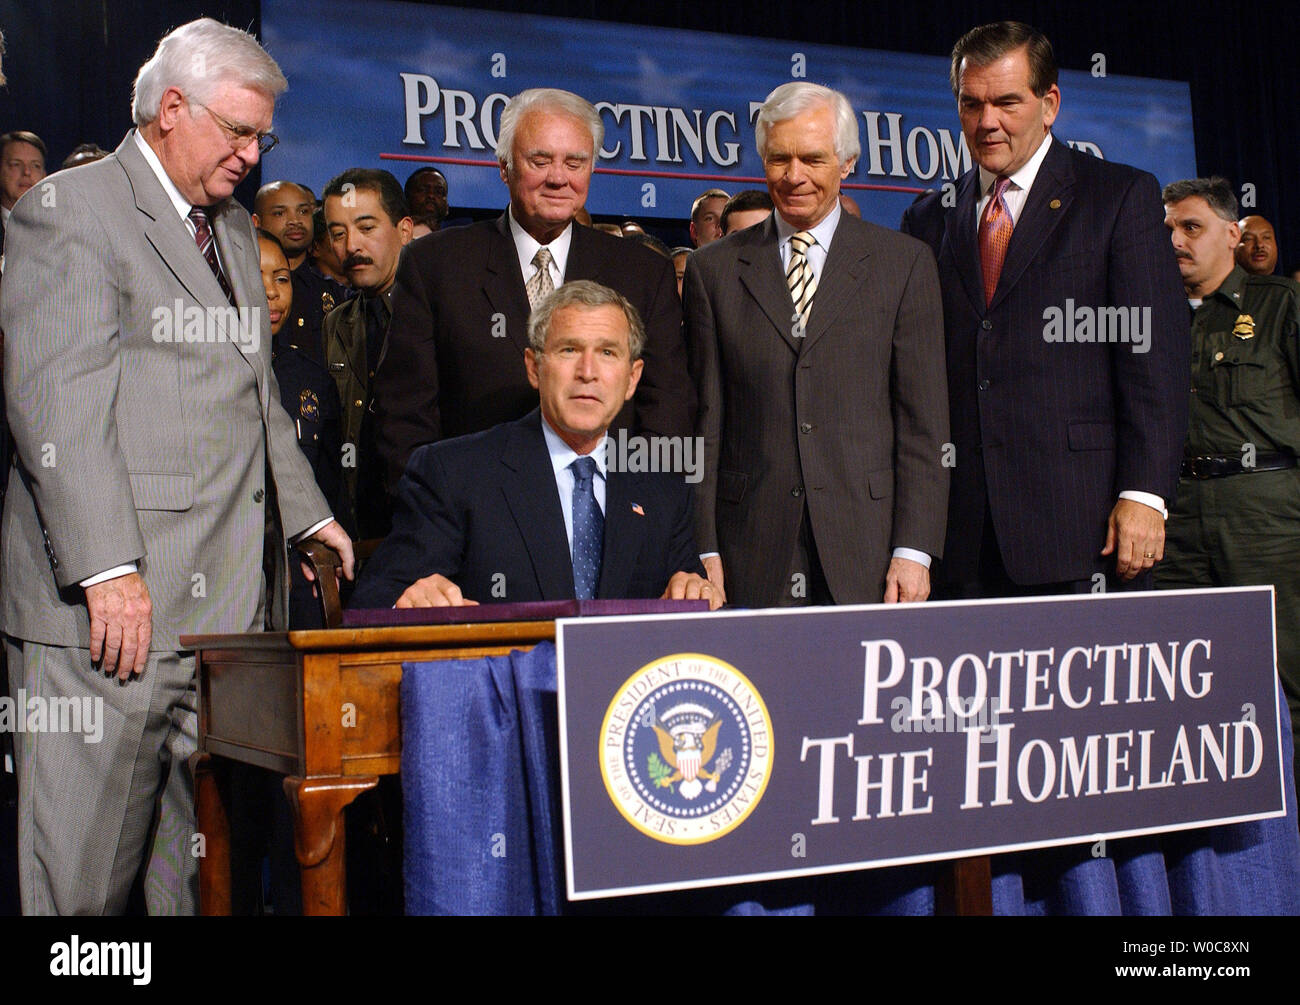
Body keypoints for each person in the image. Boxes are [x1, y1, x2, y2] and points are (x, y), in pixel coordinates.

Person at [0, 17, 353, 916]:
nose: (251, 153)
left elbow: (253, 391)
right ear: (170, 108)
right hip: (110, 620)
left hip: (224, 619)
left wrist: (310, 515)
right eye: (238, 131)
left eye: (261, 137)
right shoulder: (69, 210)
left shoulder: (231, 230)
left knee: (192, 883)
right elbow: (57, 407)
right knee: (78, 889)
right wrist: (107, 569)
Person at [900, 20, 1188, 599]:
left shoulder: (1119, 196)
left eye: (1007, 102)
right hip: (961, 538)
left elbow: (1155, 357)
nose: (987, 123)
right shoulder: (928, 218)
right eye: (971, 103)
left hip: (1086, 526)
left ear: (1049, 103)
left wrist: (1145, 494)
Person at [684, 81, 949, 609]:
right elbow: (704, 423)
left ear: (847, 162)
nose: (794, 175)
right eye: (779, 158)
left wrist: (915, 550)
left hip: (870, 548)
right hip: (748, 546)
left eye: (813, 158)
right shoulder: (712, 269)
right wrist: (703, 546)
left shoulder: (904, 263)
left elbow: (925, 425)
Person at [372, 87, 695, 491]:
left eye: (575, 162)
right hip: (473, 523)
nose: (558, 178)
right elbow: (403, 419)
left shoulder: (644, 272)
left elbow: (666, 411)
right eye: (540, 161)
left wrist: (641, 520)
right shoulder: (434, 264)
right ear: (504, 167)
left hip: (608, 522)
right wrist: (440, 520)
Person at [351, 281, 717, 611]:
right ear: (533, 367)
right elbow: (377, 597)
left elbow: (690, 587)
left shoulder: (660, 484)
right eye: (569, 349)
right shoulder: (454, 473)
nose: (587, 371)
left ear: (632, 378)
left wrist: (696, 589)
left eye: (607, 353)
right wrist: (408, 599)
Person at [1156, 177, 1300, 801]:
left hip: (1266, 514)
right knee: (1188, 682)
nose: (1175, 241)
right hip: (1175, 518)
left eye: (1191, 228)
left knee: (1284, 683)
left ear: (1233, 236)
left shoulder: (1279, 304)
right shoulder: (1146, 312)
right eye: (1166, 229)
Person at [321, 168, 414, 538]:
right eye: (337, 233)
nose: (352, 246)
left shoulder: (442, 313)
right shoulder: (335, 323)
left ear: (404, 230)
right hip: (358, 532)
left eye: (366, 227)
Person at [260, 228, 344, 627]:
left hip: (301, 577)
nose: (273, 292)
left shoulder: (310, 377)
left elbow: (331, 489)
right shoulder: (195, 373)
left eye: (281, 278)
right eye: (256, 276)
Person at [253, 180, 348, 364]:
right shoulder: (237, 289)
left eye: (303, 211)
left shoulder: (338, 295)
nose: (295, 221)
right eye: (280, 213)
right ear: (256, 222)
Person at [404, 166, 449, 233]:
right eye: (423, 190)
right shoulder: (395, 236)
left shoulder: (456, 239)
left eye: (439, 192)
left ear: (447, 206)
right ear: (407, 198)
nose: (431, 195)